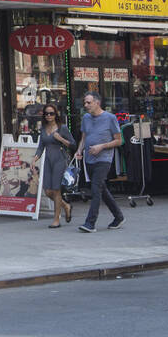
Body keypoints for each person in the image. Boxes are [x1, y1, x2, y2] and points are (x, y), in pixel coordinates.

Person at [74, 90, 125, 233]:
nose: (86, 105)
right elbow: (84, 137)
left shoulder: (110, 118)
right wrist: (79, 150)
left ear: (97, 103)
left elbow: (119, 141)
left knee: (95, 188)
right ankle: (118, 216)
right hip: (89, 159)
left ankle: (90, 223)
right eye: (85, 102)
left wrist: (101, 146)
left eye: (89, 102)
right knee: (102, 190)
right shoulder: (86, 118)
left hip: (104, 159)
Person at [32, 102, 74, 228]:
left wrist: (61, 139)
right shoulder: (43, 129)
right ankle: (66, 206)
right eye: (46, 114)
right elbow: (41, 147)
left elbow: (73, 144)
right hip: (48, 160)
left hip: (59, 159)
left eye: (51, 113)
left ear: (56, 114)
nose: (49, 116)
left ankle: (56, 219)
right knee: (48, 191)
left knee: (56, 190)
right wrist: (34, 160)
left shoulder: (62, 128)